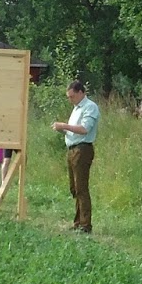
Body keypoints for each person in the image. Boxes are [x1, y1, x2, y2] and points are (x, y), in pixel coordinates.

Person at [51, 79, 99, 233]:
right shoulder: (76, 108)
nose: (70, 99)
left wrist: (64, 125)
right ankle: (78, 221)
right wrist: (63, 130)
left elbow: (85, 129)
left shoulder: (90, 107)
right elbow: (75, 130)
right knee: (74, 187)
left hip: (82, 149)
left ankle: (85, 224)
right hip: (72, 149)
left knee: (81, 187)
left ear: (80, 93)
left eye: (72, 96)